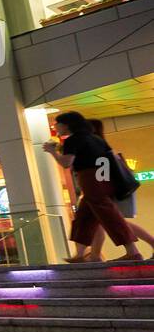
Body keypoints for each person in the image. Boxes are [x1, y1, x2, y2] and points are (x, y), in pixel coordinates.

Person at [44, 111, 142, 262]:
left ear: (67, 124)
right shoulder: (95, 138)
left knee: (109, 216)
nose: (56, 126)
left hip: (90, 179)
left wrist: (53, 152)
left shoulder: (73, 140)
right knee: (84, 216)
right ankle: (80, 255)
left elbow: (66, 163)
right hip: (105, 179)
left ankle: (132, 252)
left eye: (58, 123)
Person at [87, 119, 154, 258]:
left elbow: (103, 176)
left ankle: (94, 256)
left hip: (110, 193)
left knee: (113, 222)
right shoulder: (102, 147)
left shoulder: (97, 149)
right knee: (103, 222)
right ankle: (94, 255)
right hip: (112, 192)